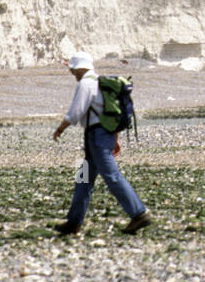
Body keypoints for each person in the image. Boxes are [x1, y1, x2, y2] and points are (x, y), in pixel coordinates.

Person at [52, 52, 152, 235]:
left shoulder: (86, 84)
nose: (72, 73)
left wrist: (60, 128)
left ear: (80, 68)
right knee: (83, 178)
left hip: (96, 137)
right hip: (100, 135)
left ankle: (139, 213)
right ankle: (73, 222)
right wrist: (115, 139)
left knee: (111, 175)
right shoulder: (97, 82)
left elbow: (76, 112)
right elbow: (107, 115)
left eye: (73, 69)